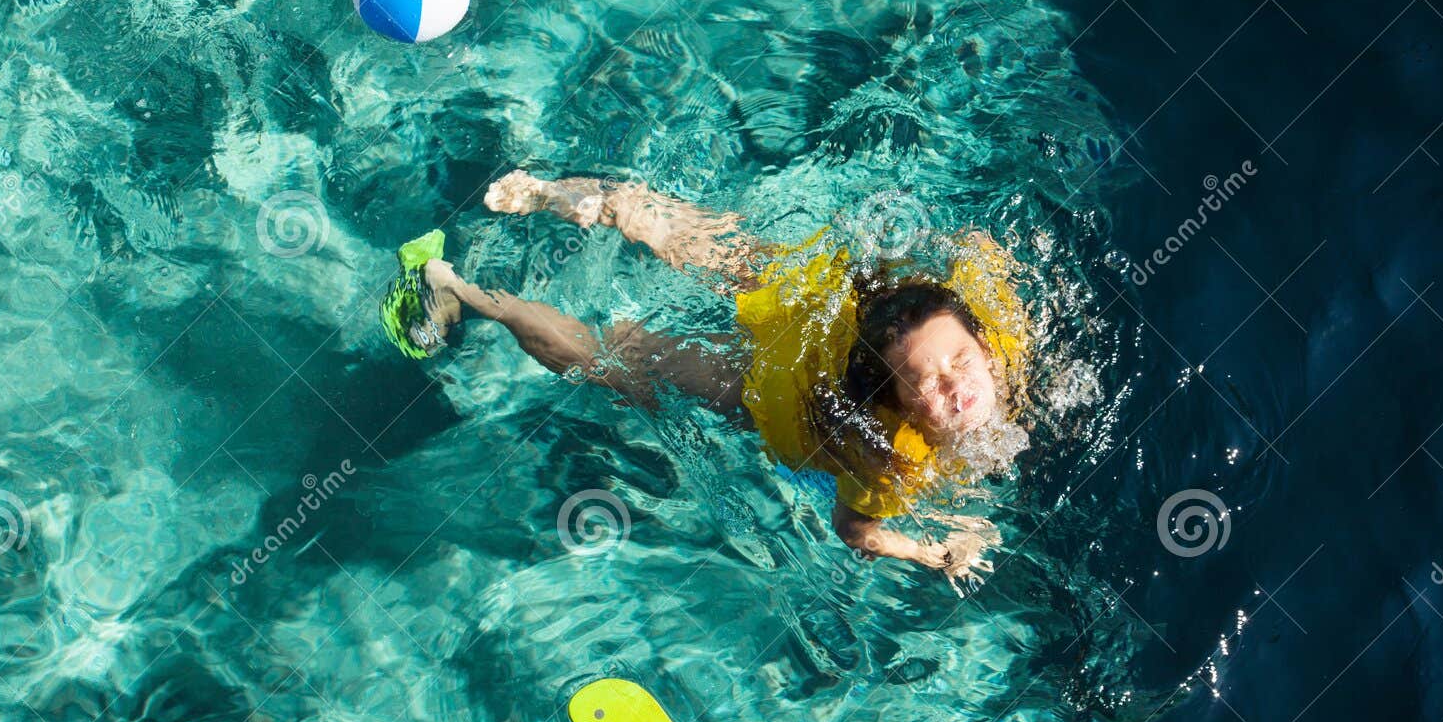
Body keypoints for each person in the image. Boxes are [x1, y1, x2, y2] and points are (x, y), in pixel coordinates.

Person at [379, 171, 1029, 592]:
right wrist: (930, 553)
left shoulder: (997, 330)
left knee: (703, 245)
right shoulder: (895, 464)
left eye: (962, 362)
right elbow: (854, 530)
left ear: (982, 341)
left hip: (817, 297)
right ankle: (459, 290)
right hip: (776, 386)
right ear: (895, 403)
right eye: (929, 380)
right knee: (622, 362)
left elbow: (978, 244)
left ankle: (563, 196)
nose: (957, 385)